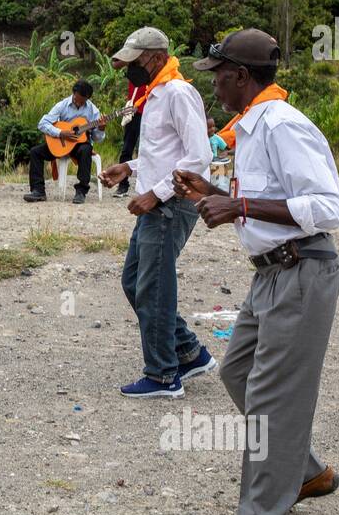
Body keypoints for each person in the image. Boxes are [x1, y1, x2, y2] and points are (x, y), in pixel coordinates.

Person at [172, 28, 339, 515]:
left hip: (300, 271)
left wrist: (240, 209)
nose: (214, 85)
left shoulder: (285, 125)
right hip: (270, 274)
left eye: (219, 75)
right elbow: (271, 199)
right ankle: (306, 471)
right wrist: (216, 196)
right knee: (238, 372)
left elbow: (326, 207)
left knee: (270, 401)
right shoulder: (252, 125)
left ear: (241, 76)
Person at [98, 27, 214, 398]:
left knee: (153, 287)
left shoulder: (179, 93)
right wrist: (129, 168)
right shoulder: (157, 93)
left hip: (171, 204)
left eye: (136, 61)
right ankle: (188, 353)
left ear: (158, 58)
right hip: (157, 202)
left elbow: (199, 157)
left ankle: (164, 375)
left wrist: (155, 195)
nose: (130, 69)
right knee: (135, 282)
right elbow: (164, 151)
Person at [24, 80, 107, 204]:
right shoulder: (62, 105)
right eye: (76, 99)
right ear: (73, 93)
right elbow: (42, 123)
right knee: (35, 152)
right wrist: (60, 133)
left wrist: (101, 129)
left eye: (82, 101)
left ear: (87, 98)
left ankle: (81, 192)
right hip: (61, 144)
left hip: (80, 146)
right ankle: (38, 191)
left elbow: (96, 138)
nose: (78, 103)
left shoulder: (93, 110)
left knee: (86, 149)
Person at [108, 29, 161, 197]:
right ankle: (122, 185)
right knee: (127, 148)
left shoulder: (156, 73)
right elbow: (115, 63)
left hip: (150, 113)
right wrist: (130, 57)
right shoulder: (136, 71)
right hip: (133, 112)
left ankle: (149, 188)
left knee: (146, 150)